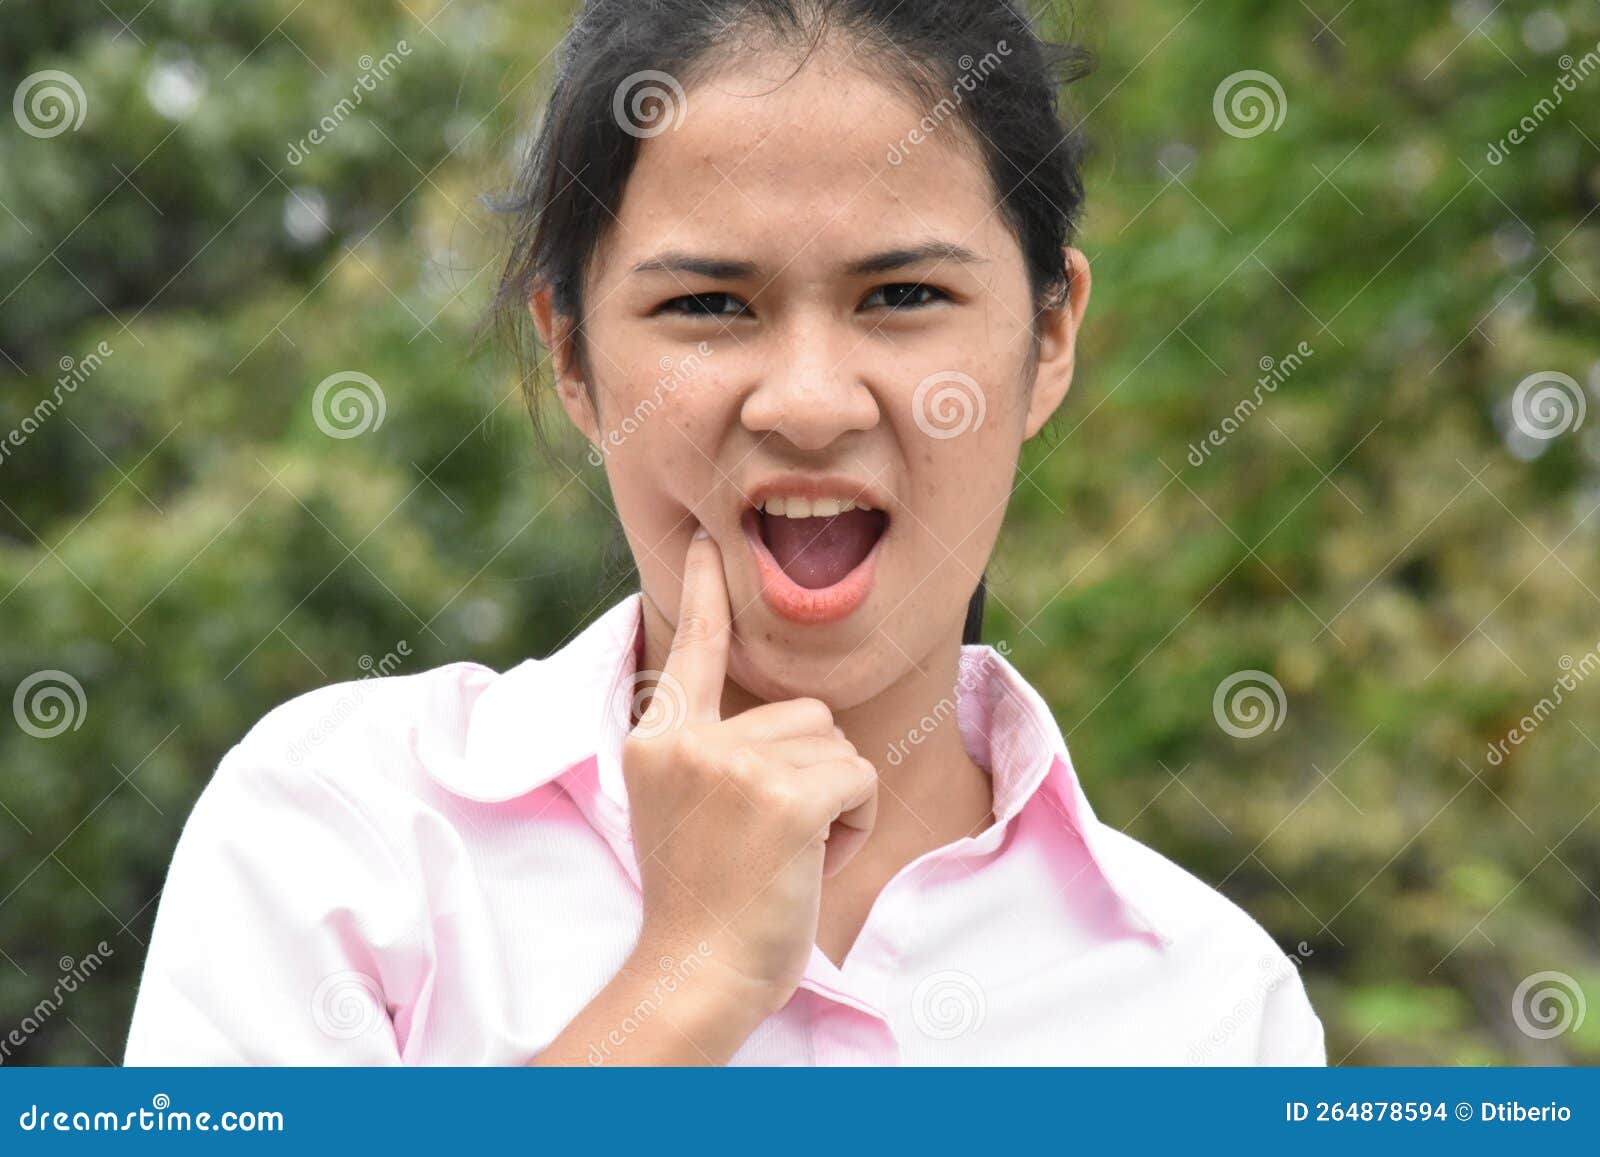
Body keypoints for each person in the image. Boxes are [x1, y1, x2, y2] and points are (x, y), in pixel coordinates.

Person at [125, 0, 1326, 1065]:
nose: (808, 401)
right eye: (707, 304)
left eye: (903, 295)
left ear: (1048, 337)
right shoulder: (342, 832)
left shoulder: (1212, 1010)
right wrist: (683, 980)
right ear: (571, 357)